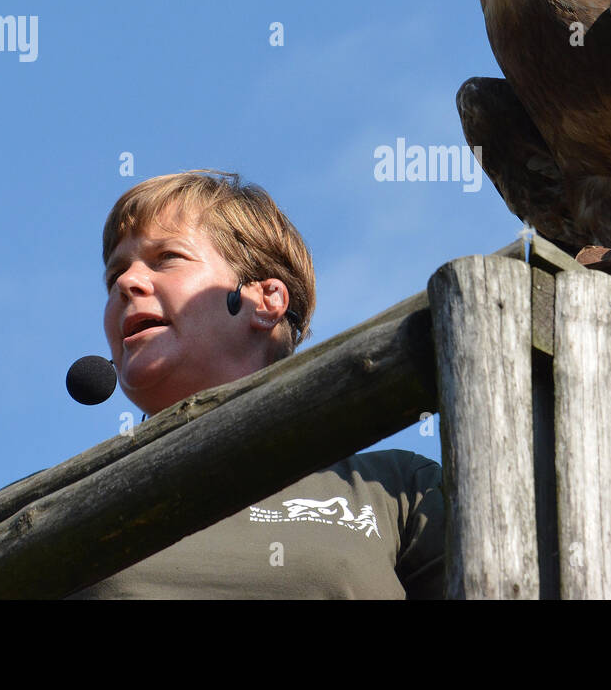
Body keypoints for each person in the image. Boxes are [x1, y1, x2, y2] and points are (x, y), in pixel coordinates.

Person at [69, 170, 445, 599]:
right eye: (115, 272)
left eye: (166, 257)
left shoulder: (392, 486)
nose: (125, 282)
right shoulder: (51, 511)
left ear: (264, 301)